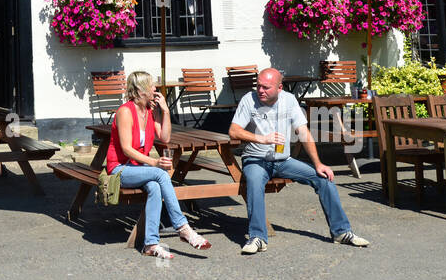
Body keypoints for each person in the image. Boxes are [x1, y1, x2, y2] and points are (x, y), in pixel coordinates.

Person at [229, 67, 370, 254]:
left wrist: (318, 164)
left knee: (323, 178)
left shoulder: (289, 100)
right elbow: (234, 130)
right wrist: (261, 139)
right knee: (254, 183)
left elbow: (303, 132)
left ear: (279, 88)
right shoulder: (249, 100)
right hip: (256, 159)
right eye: (259, 86)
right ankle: (257, 238)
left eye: (266, 87)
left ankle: (341, 232)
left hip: (283, 160)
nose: (260, 91)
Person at [107, 71, 212, 258]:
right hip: (120, 169)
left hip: (138, 168)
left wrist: (165, 111)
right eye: (151, 85)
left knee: (155, 187)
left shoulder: (149, 111)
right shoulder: (125, 111)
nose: (155, 88)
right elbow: (126, 150)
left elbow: (165, 137)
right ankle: (183, 227)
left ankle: (151, 244)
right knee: (160, 174)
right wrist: (154, 162)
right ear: (140, 90)